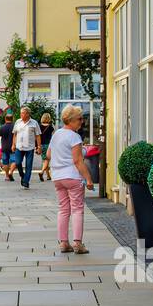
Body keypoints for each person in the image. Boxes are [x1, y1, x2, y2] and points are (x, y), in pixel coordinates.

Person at [49, 105, 95, 254]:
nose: (81, 122)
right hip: (73, 177)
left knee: (63, 209)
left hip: (58, 177)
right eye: (79, 119)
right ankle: (77, 243)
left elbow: (49, 154)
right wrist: (88, 178)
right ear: (71, 120)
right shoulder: (74, 137)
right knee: (77, 209)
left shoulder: (56, 134)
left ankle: (63, 243)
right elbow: (78, 161)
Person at [12, 106, 41, 189]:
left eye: (23, 113)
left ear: (28, 114)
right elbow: (14, 134)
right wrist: (13, 144)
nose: (21, 114)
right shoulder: (18, 122)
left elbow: (38, 135)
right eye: (21, 113)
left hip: (30, 147)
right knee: (17, 162)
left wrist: (39, 146)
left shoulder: (34, 123)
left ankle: (26, 181)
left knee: (29, 165)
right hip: (19, 146)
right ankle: (22, 175)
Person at [0, 112, 16, 181]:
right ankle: (11, 172)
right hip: (13, 147)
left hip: (4, 148)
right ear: (12, 119)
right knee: (14, 161)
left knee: (5, 162)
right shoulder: (15, 127)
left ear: (5, 119)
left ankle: (7, 176)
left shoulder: (2, 127)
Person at [38, 112, 55, 182]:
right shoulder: (50, 127)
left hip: (41, 145)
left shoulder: (39, 126)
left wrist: (37, 146)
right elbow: (54, 136)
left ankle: (48, 176)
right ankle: (42, 172)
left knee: (45, 160)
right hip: (48, 145)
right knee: (47, 160)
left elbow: (37, 136)